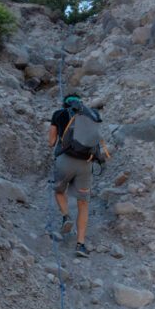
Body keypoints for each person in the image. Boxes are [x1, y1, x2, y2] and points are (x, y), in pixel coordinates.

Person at [49, 93, 96, 257]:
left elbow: (51, 142)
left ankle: (65, 216)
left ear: (65, 104)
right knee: (83, 204)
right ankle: (80, 244)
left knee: (59, 190)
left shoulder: (58, 114)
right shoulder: (89, 115)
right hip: (85, 163)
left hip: (64, 161)